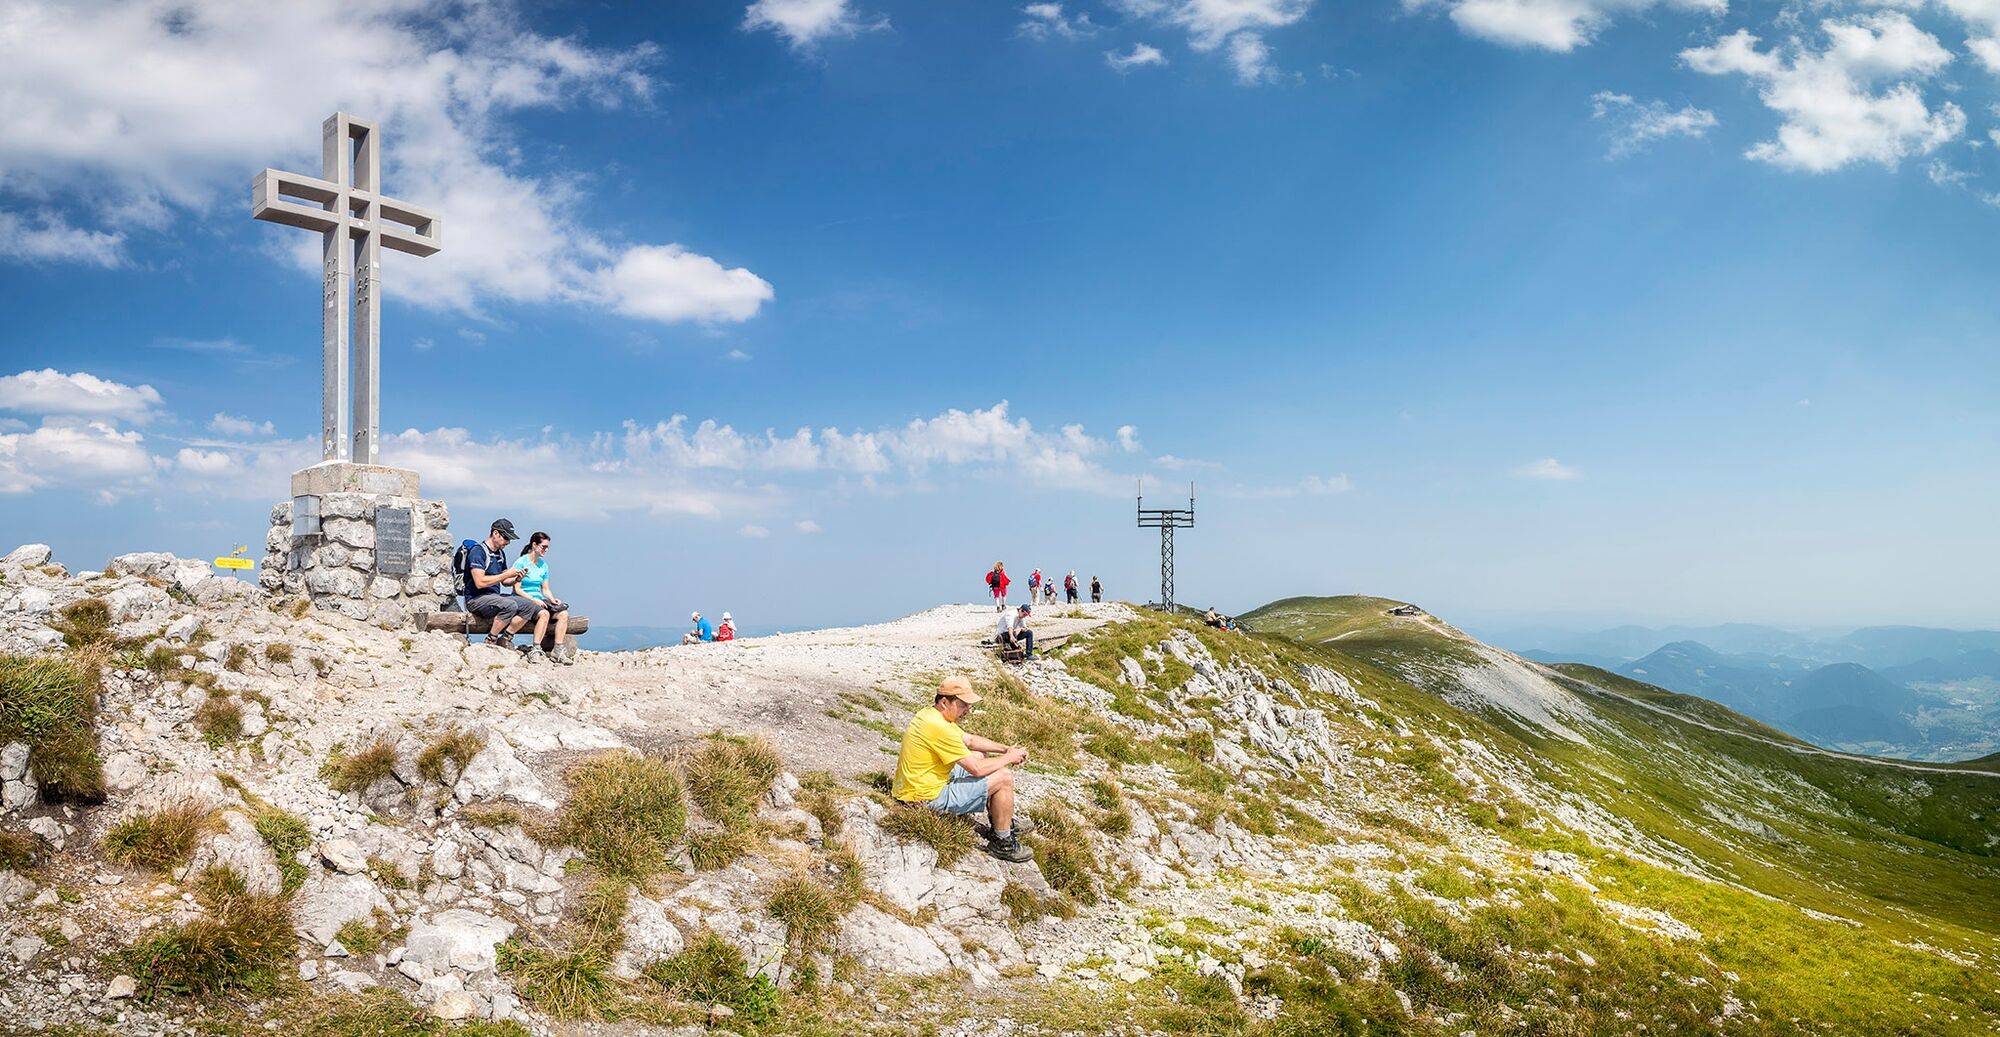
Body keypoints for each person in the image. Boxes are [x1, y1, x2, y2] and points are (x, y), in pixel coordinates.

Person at [893, 675, 1035, 863]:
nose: (967, 710)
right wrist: (1009, 758)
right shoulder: (939, 727)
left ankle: (1003, 820)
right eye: (963, 705)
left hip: (914, 787)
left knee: (978, 754)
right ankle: (1003, 843)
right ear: (945, 702)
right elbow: (976, 769)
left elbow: (969, 741)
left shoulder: (931, 714)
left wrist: (1006, 749)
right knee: (1004, 777)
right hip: (924, 798)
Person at [463, 519, 540, 649]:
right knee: (510, 605)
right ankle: (491, 639)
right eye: (506, 538)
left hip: (494, 597)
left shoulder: (500, 554)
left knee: (529, 605)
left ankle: (506, 638)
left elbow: (505, 582)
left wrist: (516, 579)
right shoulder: (478, 552)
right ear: (495, 533)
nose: (508, 542)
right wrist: (506, 574)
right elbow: (480, 582)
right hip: (476, 599)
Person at [514, 531, 574, 665]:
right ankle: (536, 649)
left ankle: (558, 650)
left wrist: (553, 599)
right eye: (543, 547)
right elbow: (516, 589)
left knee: (563, 614)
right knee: (544, 614)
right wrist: (533, 599)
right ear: (534, 545)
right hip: (525, 600)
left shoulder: (543, 565)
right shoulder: (521, 562)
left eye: (547, 547)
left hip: (540, 599)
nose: (546, 550)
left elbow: (545, 588)